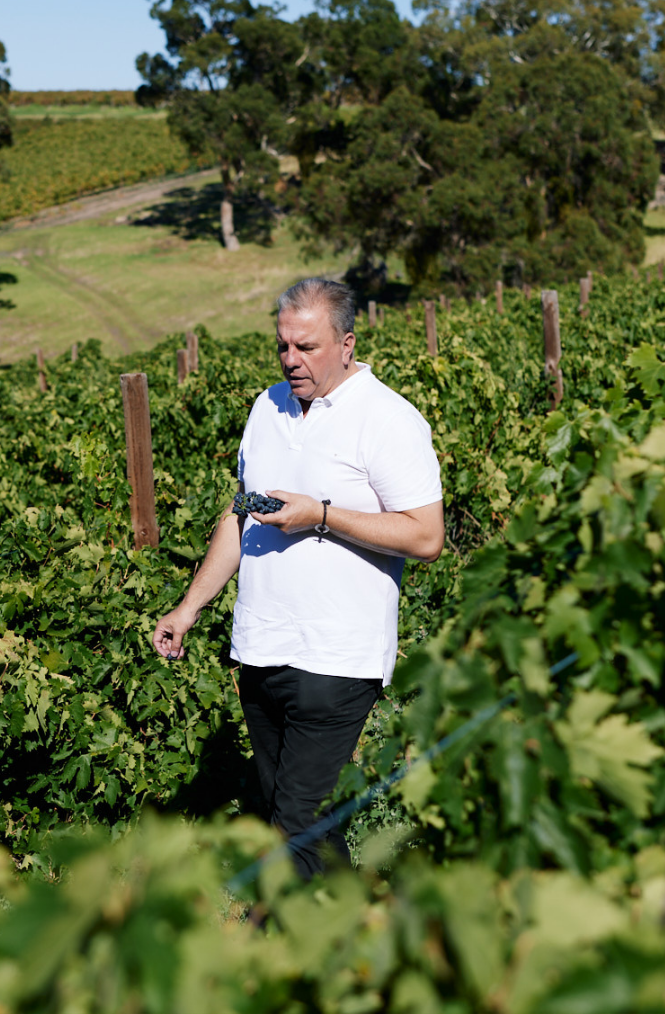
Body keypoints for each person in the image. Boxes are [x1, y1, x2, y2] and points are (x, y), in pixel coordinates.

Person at [151, 277, 444, 878]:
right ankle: (349, 922)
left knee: (297, 820)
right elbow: (241, 514)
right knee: (291, 817)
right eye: (282, 345)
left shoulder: (387, 418)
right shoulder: (268, 408)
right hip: (261, 645)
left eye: (306, 347)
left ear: (346, 344)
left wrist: (322, 516)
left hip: (337, 656)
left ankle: (295, 932)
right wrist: (189, 607)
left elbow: (426, 536)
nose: (290, 360)